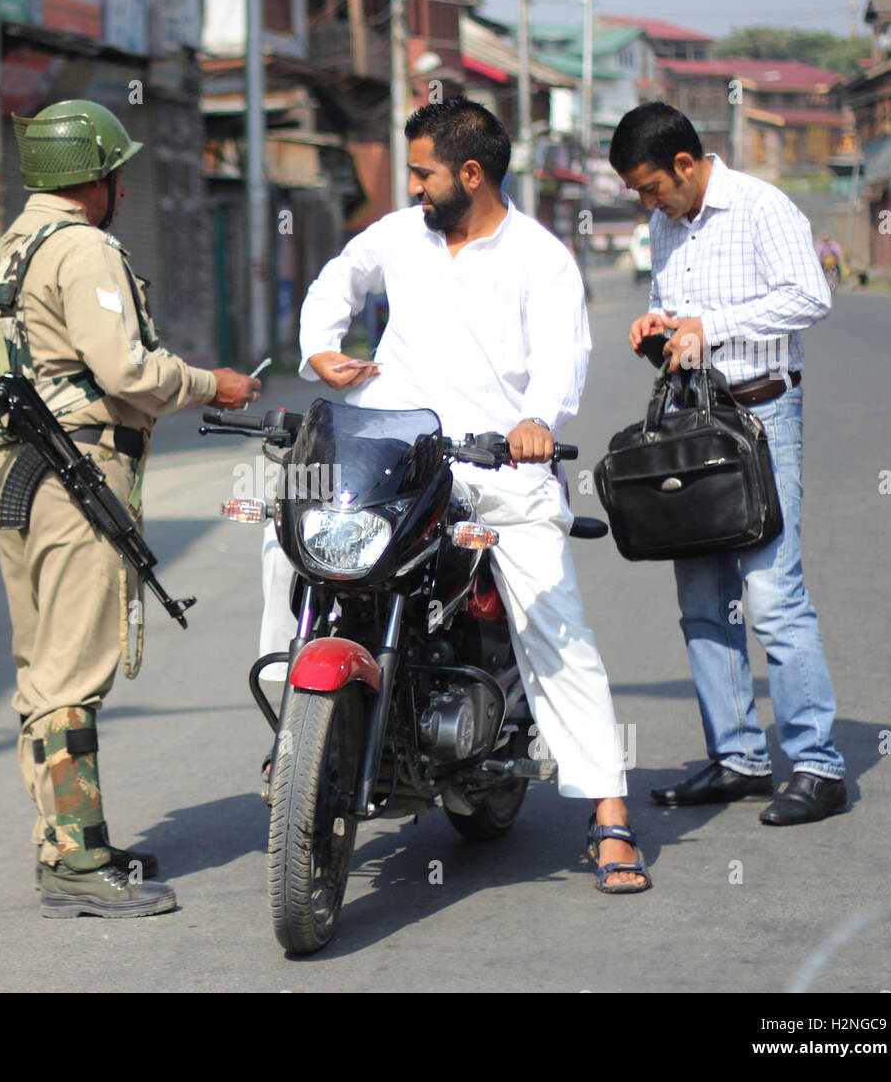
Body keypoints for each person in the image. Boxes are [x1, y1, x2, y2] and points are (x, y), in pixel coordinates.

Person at [271, 97, 650, 894]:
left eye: (422, 172)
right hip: (396, 462)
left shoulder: (541, 259)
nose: (412, 187)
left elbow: (560, 359)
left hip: (496, 469)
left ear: (469, 174)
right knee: (288, 544)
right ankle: (294, 733)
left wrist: (537, 422)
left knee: (553, 618)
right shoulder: (400, 237)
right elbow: (340, 277)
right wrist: (319, 348)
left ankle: (609, 813)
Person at [0, 99, 260, 916]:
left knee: (40, 665)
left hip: (14, 475)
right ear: (97, 178)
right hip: (70, 475)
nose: (120, 183)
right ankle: (77, 864)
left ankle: (67, 839)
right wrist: (212, 385)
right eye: (116, 170)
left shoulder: (9, 249)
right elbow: (128, 374)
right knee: (72, 671)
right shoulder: (82, 247)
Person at [609, 101, 846, 825]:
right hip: (691, 417)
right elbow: (677, 316)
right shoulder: (662, 223)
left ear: (685, 164)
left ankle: (818, 763)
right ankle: (739, 756)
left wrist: (715, 326)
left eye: (651, 187)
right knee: (705, 601)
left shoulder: (759, 206)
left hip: (763, 415)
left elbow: (811, 294)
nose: (647, 203)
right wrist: (660, 327)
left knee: (773, 593)